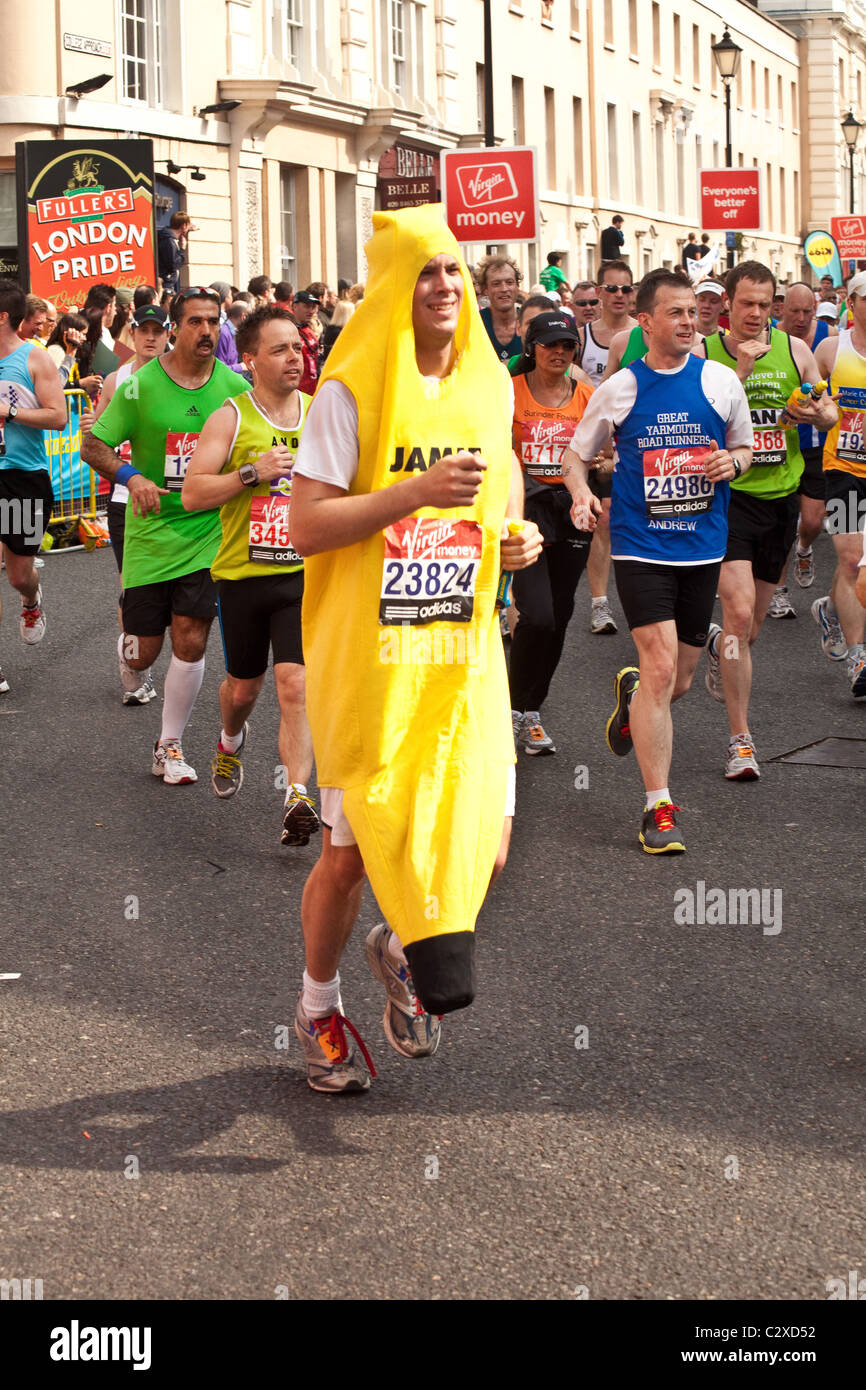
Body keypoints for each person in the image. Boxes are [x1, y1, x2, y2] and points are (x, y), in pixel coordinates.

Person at [288, 205, 541, 1093]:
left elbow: (501, 485)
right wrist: (413, 493)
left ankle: (401, 944)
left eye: (454, 271)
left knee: (488, 845)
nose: (443, 286)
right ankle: (318, 1010)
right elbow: (306, 523)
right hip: (377, 667)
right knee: (351, 856)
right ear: (397, 287)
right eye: (426, 271)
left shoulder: (489, 383)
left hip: (463, 656)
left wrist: (518, 537)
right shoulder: (348, 392)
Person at [562, 269, 753, 852]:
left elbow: (744, 447)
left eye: (693, 312)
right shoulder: (620, 388)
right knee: (661, 666)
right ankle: (658, 807)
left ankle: (634, 701)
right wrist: (581, 493)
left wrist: (734, 464)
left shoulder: (721, 382)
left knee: (682, 679)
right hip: (641, 547)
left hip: (703, 546)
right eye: (675, 313)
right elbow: (575, 456)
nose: (689, 322)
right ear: (645, 323)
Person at [82, 287, 250, 782]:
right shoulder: (140, 386)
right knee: (144, 650)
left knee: (192, 639)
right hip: (151, 531)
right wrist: (132, 477)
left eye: (213, 321)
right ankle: (128, 649)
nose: (206, 330)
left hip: (206, 529)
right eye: (195, 322)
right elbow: (93, 444)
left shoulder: (234, 388)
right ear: (176, 329)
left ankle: (169, 746)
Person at [182, 305, 320, 840]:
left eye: (298, 347)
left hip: (301, 573)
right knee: (244, 689)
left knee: (295, 683)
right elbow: (193, 493)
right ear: (251, 359)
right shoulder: (231, 417)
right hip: (241, 574)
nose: (295, 357)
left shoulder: (320, 414)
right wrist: (251, 472)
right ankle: (229, 741)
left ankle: (296, 795)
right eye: (280, 348)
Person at [700, 262, 838, 778]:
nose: (756, 313)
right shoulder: (706, 355)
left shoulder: (795, 350)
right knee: (736, 616)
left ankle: (717, 645)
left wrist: (815, 415)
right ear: (728, 306)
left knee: (750, 630)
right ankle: (741, 741)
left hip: (781, 497)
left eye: (764, 304)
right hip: (728, 498)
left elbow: (828, 411)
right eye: (746, 304)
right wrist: (739, 372)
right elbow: (695, 417)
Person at [509, 311, 594, 755]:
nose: (559, 352)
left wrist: (603, 466)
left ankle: (532, 708)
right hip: (525, 512)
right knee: (537, 614)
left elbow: (608, 455)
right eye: (549, 345)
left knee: (559, 616)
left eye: (567, 345)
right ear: (532, 348)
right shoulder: (512, 392)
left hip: (573, 513)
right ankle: (511, 706)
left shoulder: (587, 396)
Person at [93, 303, 172, 705]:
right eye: (144, 330)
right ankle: (137, 668)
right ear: (133, 333)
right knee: (131, 588)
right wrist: (97, 426)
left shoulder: (183, 377)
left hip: (178, 502)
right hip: (127, 499)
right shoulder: (116, 379)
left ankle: (170, 657)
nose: (151, 337)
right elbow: (97, 441)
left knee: (176, 597)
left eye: (159, 330)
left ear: (169, 334)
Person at [0, 278, 67, 694]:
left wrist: (9, 411)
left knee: (19, 574)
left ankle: (31, 602)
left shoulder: (34, 359)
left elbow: (59, 416)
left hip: (23, 479)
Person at [578, 259, 639, 635]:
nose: (619, 296)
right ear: (598, 292)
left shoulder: (644, 333)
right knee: (603, 520)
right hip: (594, 439)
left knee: (630, 522)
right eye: (612, 289)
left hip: (632, 443)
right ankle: (600, 604)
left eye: (626, 289)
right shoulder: (583, 336)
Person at [813, 267, 866, 696]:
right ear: (851, 303)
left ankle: (831, 609)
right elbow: (813, 401)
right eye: (865, 297)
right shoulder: (832, 349)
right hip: (843, 469)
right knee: (851, 561)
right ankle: (858, 658)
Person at [772, 282, 837, 604]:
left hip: (817, 442)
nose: (800, 318)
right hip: (780, 439)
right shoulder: (770, 336)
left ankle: (805, 547)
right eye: (794, 311)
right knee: (784, 519)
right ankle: (779, 590)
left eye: (807, 312)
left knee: (812, 520)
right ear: (781, 308)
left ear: (816, 309)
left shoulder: (828, 335)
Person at [477, 255, 523, 362]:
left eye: (509, 282)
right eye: (496, 284)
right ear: (485, 290)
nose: (504, 289)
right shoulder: (475, 324)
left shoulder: (529, 323)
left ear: (517, 287)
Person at [291, 290, 321, 394]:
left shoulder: (310, 331)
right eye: (307, 306)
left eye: (313, 307)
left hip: (313, 391)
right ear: (295, 306)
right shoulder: (287, 330)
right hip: (296, 392)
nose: (311, 311)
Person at [158, 212, 191, 295]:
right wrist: (182, 248)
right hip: (166, 284)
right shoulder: (169, 241)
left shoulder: (167, 238)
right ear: (183, 226)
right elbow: (173, 265)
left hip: (166, 283)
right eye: (187, 226)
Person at [215, 300, 250, 368]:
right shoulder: (223, 333)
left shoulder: (234, 332)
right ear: (243, 316)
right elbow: (219, 368)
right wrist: (241, 367)